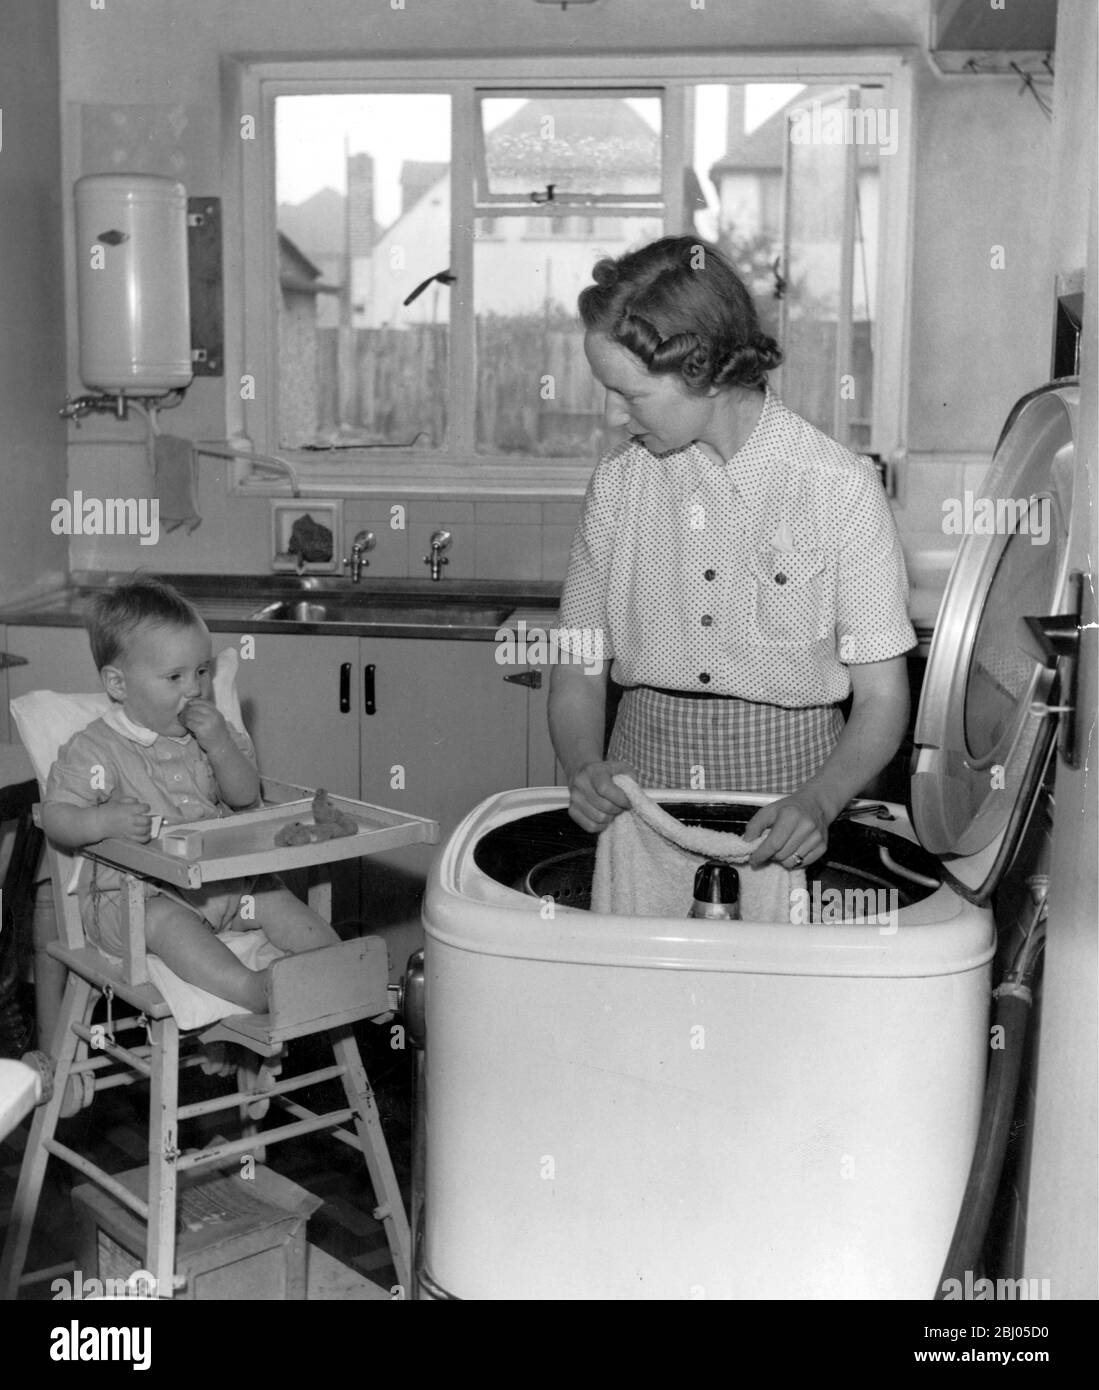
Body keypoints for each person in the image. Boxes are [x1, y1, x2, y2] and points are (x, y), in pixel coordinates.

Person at [549, 236, 916, 871]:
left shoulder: (837, 486)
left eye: (630, 395)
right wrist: (584, 768)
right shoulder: (618, 484)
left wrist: (820, 802)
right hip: (643, 795)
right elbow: (579, 672)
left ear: (705, 373)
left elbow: (883, 698)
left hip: (793, 799)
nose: (613, 417)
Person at [42, 577, 339, 1011]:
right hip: (135, 901)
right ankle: (248, 989)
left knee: (271, 899)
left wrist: (219, 744)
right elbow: (55, 816)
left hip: (223, 890)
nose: (195, 689)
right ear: (119, 685)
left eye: (201, 671)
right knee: (167, 923)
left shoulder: (212, 732)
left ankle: (333, 965)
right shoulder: (96, 750)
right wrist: (100, 822)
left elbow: (242, 796)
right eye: (174, 677)